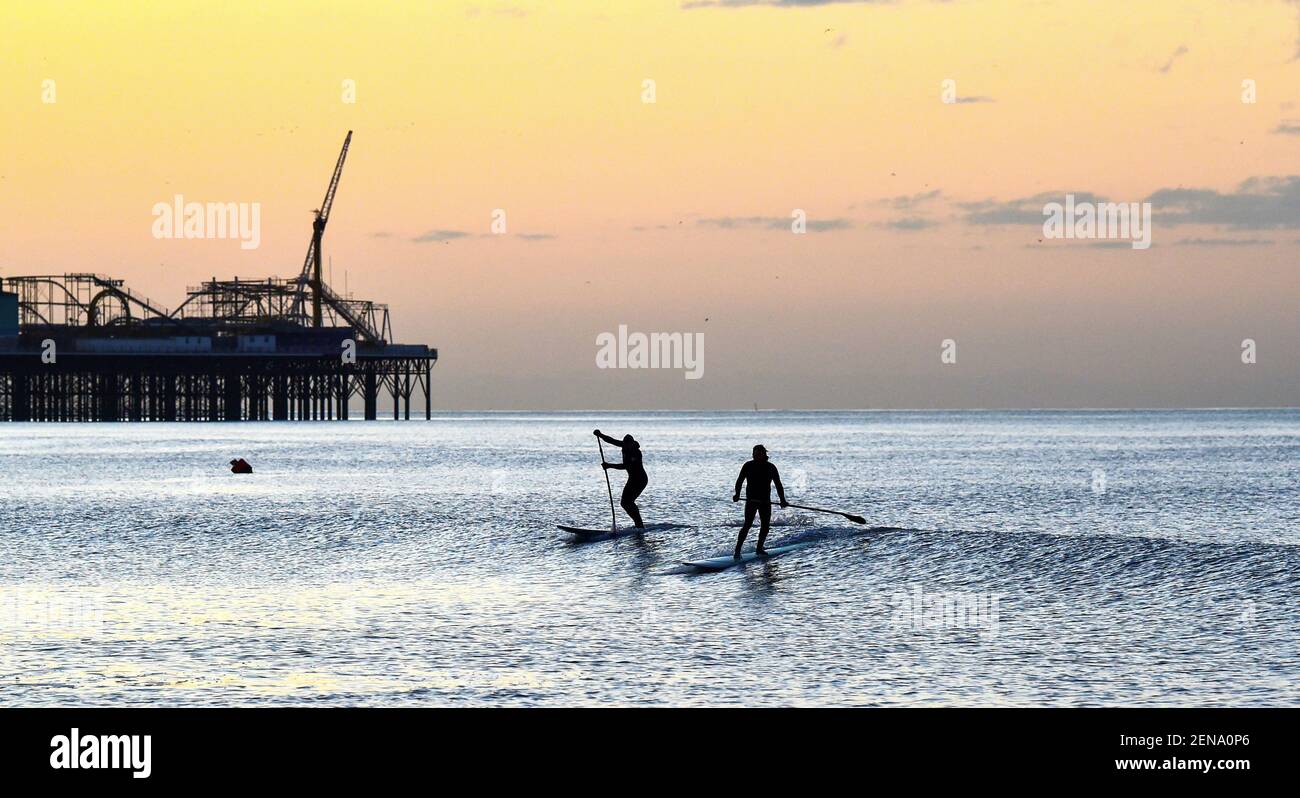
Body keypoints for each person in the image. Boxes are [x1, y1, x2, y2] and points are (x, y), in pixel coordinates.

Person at [732, 444, 787, 558]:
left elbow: (778, 485)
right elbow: (739, 481)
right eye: (754, 454)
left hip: (765, 502)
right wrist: (737, 494)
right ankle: (737, 551)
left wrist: (782, 500)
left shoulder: (771, 467)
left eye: (758, 454)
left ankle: (759, 549)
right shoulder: (748, 465)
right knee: (747, 525)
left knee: (765, 526)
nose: (756, 456)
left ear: (764, 455)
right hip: (751, 501)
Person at [594, 429, 646, 529]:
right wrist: (600, 435)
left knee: (628, 502)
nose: (625, 447)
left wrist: (609, 465)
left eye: (628, 445)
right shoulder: (624, 445)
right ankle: (638, 525)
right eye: (624, 444)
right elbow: (611, 440)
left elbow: (626, 466)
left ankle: (639, 525)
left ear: (632, 444)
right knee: (624, 503)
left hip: (640, 480)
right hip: (632, 479)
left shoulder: (636, 453)